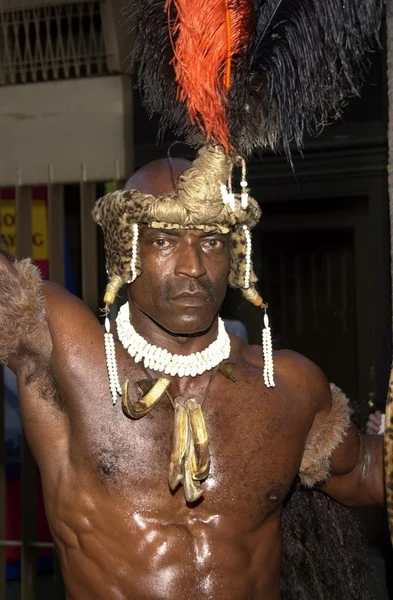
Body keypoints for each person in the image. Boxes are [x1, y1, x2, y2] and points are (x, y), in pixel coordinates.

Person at [0, 146, 385, 599]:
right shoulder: (65, 350)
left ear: (236, 256)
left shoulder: (288, 386)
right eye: (163, 241)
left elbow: (366, 471)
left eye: (212, 241)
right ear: (126, 252)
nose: (193, 266)